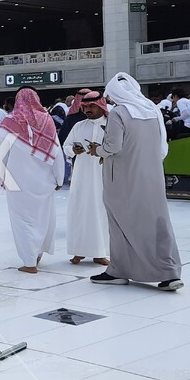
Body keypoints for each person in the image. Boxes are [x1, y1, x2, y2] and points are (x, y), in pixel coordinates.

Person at [90, 73, 184, 291]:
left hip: (122, 178)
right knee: (157, 222)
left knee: (121, 224)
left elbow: (113, 147)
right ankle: (169, 272)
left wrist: (97, 150)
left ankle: (119, 270)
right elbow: (161, 145)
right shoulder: (152, 111)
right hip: (151, 176)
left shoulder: (119, 113)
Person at [0, 88, 66, 274]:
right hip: (44, 181)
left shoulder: (9, 122)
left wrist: (2, 176)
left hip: (18, 181)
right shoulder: (46, 121)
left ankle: (29, 261)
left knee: (22, 221)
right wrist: (59, 177)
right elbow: (57, 154)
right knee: (42, 218)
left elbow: (0, 154)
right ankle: (38, 253)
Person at [63, 92, 110, 266]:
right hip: (82, 177)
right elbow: (66, 146)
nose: (88, 110)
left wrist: (102, 150)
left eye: (92, 106)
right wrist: (72, 150)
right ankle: (79, 251)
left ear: (101, 106)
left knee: (100, 212)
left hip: (102, 176)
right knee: (80, 212)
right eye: (85, 107)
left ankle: (100, 252)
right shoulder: (79, 126)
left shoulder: (111, 124)